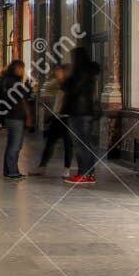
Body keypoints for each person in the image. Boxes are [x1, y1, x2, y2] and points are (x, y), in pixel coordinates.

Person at [61, 47, 101, 184]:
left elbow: (71, 89)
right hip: (87, 112)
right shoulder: (90, 72)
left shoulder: (80, 72)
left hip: (79, 112)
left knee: (81, 145)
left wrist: (64, 79)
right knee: (87, 144)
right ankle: (90, 174)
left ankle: (83, 173)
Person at [0, 60, 33, 179]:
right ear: (16, 68)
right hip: (16, 116)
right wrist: (28, 116)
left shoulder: (4, 80)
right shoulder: (15, 82)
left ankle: (9, 170)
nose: (22, 71)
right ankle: (12, 171)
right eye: (21, 68)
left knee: (11, 144)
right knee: (15, 145)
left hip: (9, 116)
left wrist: (0, 117)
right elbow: (23, 100)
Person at [36, 63, 72, 174]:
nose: (56, 73)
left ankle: (67, 169)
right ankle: (42, 166)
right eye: (55, 71)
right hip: (57, 117)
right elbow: (47, 88)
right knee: (50, 143)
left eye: (58, 71)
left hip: (68, 118)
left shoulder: (70, 85)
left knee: (68, 144)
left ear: (64, 72)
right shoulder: (57, 84)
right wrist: (56, 80)